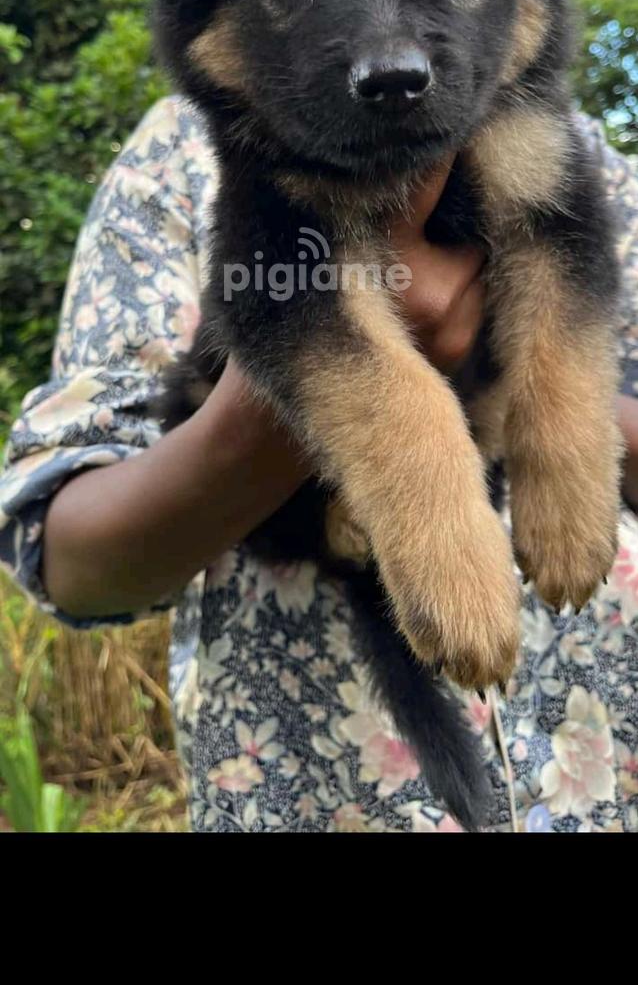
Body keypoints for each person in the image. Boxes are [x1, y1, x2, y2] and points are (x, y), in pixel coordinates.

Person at [1, 96, 637, 833]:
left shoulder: (594, 164)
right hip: (315, 788)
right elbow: (67, 557)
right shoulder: (192, 144)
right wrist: (313, 403)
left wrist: (557, 418)